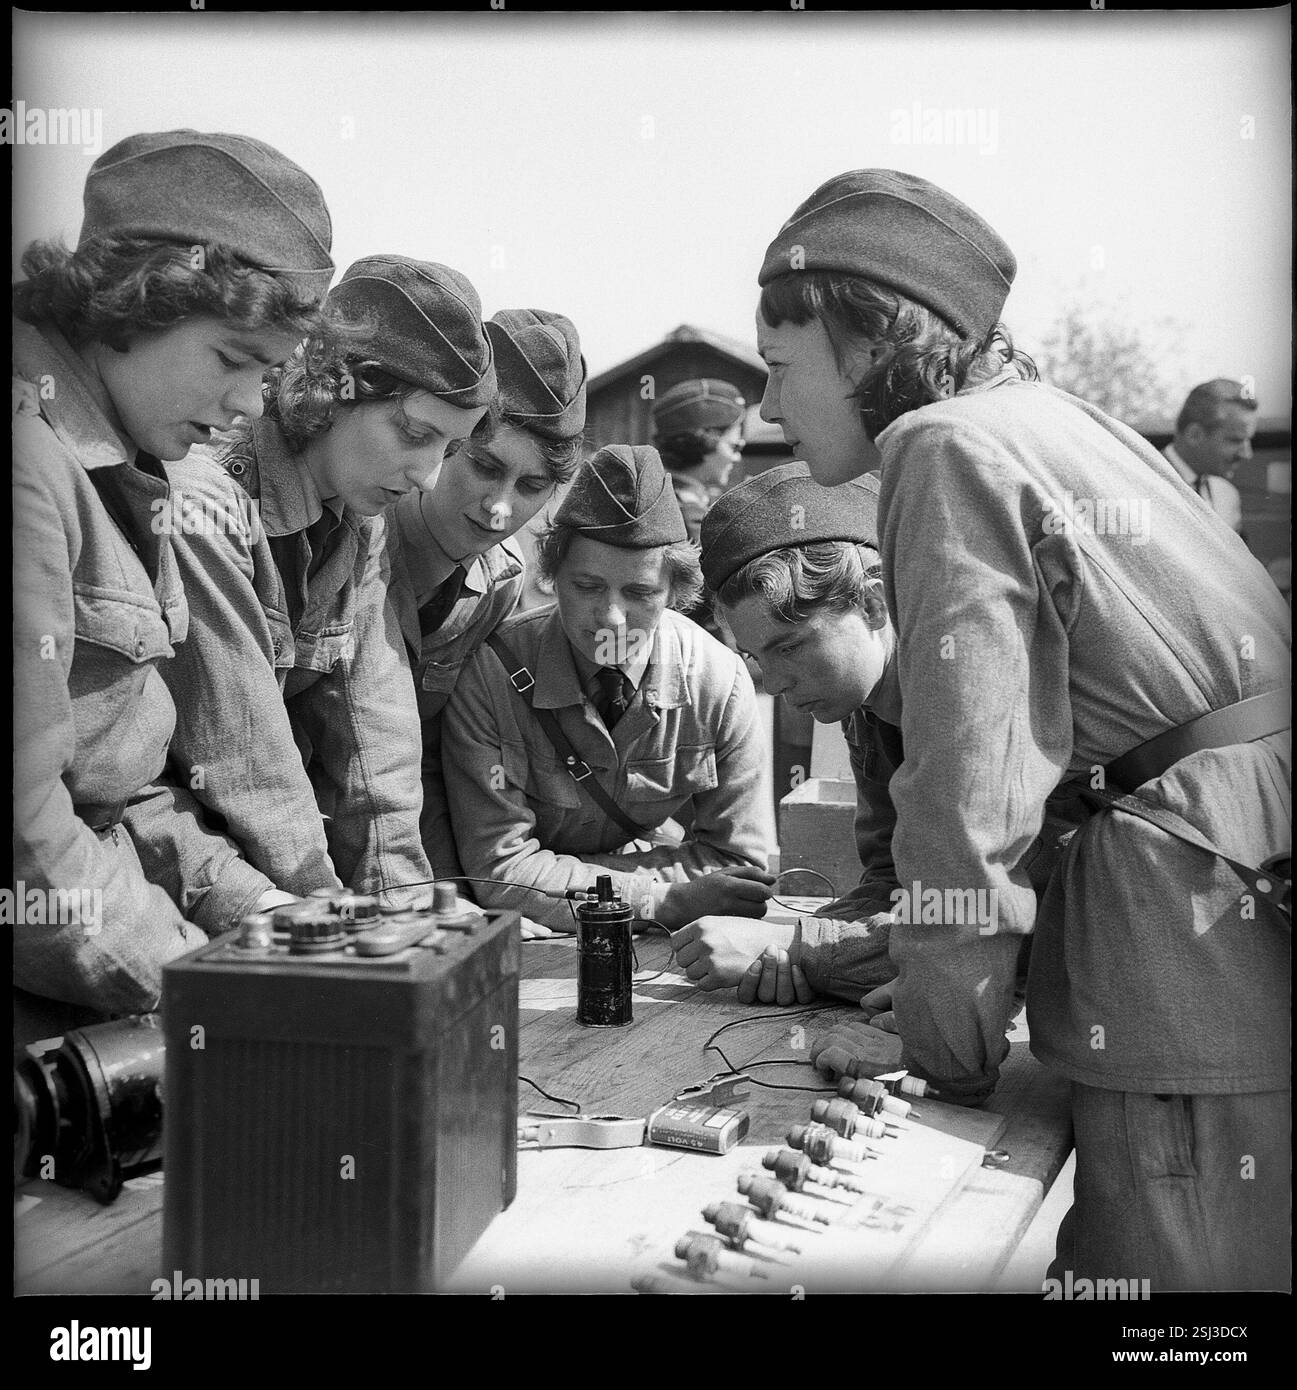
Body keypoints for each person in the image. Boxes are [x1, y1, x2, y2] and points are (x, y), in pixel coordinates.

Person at [754, 167, 1290, 1291]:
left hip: (1183, 951)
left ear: (862, 346)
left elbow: (971, 783)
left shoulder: (943, 444)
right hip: (1227, 909)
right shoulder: (1051, 420)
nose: (767, 411)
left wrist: (938, 1043)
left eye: (778, 368)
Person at [12, 129, 335, 1033]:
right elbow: (29, 838)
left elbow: (122, 788)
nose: (245, 406)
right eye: (232, 360)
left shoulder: (125, 467)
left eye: (267, 376)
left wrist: (253, 911)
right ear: (133, 300)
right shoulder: (30, 467)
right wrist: (201, 987)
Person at [159, 256, 495, 903]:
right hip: (157, 842)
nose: (426, 476)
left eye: (446, 450)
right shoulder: (209, 495)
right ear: (331, 386)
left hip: (248, 852)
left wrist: (403, 904)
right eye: (413, 433)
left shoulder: (360, 521)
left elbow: (375, 735)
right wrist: (333, 916)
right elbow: (243, 752)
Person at [440, 444, 776, 935]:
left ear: (677, 595)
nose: (612, 618)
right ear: (552, 577)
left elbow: (740, 870)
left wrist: (561, 881)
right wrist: (663, 899)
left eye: (640, 594)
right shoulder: (493, 674)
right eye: (588, 587)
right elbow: (500, 871)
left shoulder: (718, 682)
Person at [672, 463, 899, 1005]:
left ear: (872, 603)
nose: (772, 683)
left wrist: (797, 945)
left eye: (789, 646)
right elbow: (895, 883)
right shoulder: (863, 705)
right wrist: (788, 951)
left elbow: (984, 920)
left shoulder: (963, 697)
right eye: (754, 656)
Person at [386, 307, 587, 886]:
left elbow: (433, 759)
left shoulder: (502, 580)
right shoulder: (361, 536)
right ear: (446, 443)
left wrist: (453, 903)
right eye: (484, 466)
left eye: (531, 487)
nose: (500, 509)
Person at [652, 377, 746, 642]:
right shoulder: (687, 515)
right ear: (705, 442)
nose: (736, 457)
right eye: (734, 446)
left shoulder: (665, 497)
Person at [1163, 378, 1256, 536]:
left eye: (1248, 441)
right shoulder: (1140, 485)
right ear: (1194, 435)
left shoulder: (1227, 495)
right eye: (1235, 440)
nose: (1247, 454)